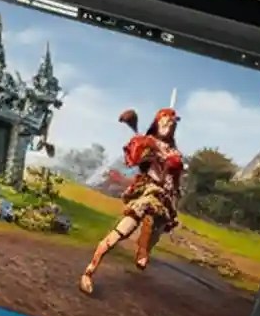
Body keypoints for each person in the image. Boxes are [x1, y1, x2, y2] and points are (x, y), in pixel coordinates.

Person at [79, 106, 184, 295]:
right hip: (148, 194)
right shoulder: (149, 142)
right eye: (165, 121)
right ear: (157, 123)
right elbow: (134, 159)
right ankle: (89, 272)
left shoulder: (175, 154)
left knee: (154, 226)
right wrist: (143, 145)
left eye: (171, 123)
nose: (168, 126)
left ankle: (143, 250)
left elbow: (175, 184)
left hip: (164, 202)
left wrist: (174, 209)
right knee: (117, 235)